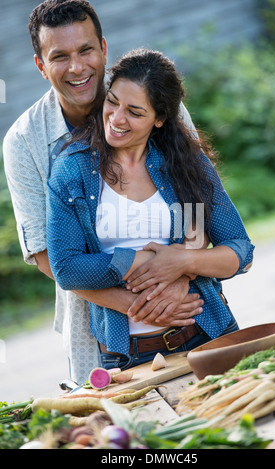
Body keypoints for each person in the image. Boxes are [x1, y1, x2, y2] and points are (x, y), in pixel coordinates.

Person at [3, 0, 203, 384]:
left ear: (104, 49)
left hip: (186, 307)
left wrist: (179, 274)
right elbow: (47, 256)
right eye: (60, 56)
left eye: (86, 50)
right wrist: (139, 307)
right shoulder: (24, 142)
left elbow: (194, 200)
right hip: (96, 331)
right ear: (41, 66)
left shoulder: (155, 99)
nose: (77, 67)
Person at [46, 48, 254, 371]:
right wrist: (139, 262)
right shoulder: (72, 173)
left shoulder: (183, 165)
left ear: (159, 119)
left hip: (206, 332)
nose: (116, 118)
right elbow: (67, 268)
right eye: (112, 101)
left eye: (135, 111)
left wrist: (181, 262)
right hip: (127, 356)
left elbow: (240, 251)